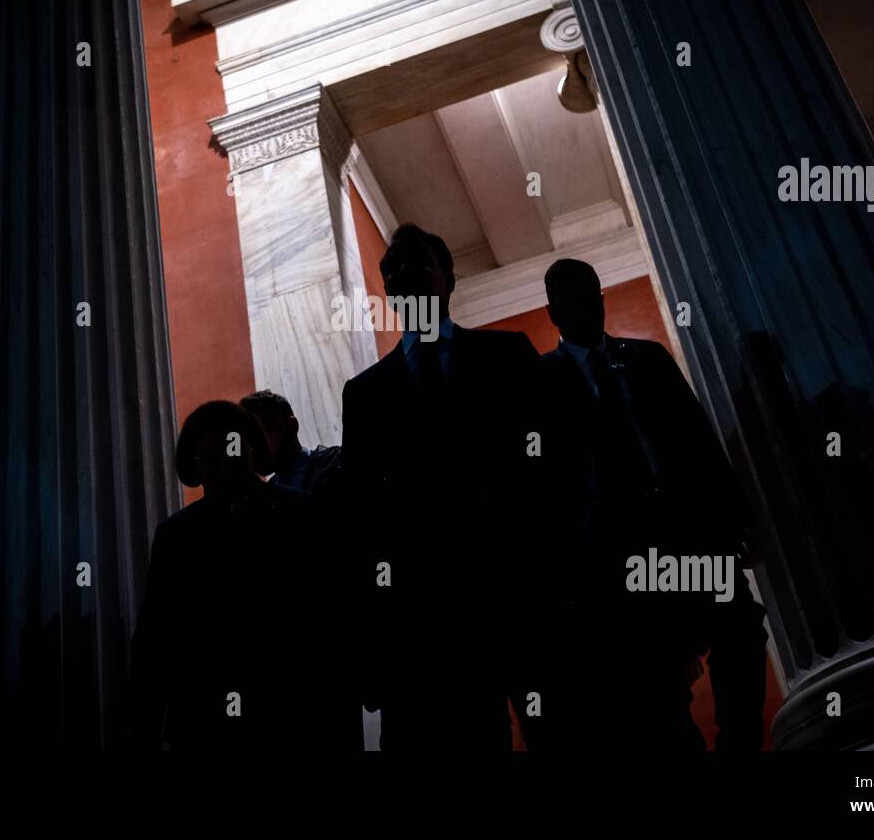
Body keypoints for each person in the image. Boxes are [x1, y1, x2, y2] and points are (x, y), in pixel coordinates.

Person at [537, 257, 766, 751]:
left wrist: (738, 515)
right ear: (553, 312)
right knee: (655, 683)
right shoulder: (539, 384)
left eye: (592, 295)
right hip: (615, 557)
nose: (586, 307)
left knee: (740, 629)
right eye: (572, 300)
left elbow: (698, 438)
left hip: (687, 532)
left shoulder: (648, 358)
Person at [339, 223, 547, 751]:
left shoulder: (508, 356)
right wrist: (370, 641)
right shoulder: (364, 395)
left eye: (417, 263)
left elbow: (553, 471)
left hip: (522, 600)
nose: (404, 274)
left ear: (448, 277)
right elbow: (361, 522)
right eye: (393, 270)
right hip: (422, 627)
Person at [127, 400, 361, 751]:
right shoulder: (176, 536)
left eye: (232, 450)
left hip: (291, 716)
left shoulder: (299, 514)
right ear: (195, 464)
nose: (224, 466)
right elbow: (156, 637)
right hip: (207, 721)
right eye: (210, 457)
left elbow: (331, 621)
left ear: (252, 449)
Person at [240, 389, 340, 495]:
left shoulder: (334, 461)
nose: (252, 446)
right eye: (248, 437)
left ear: (292, 426)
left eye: (262, 431)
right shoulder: (268, 491)